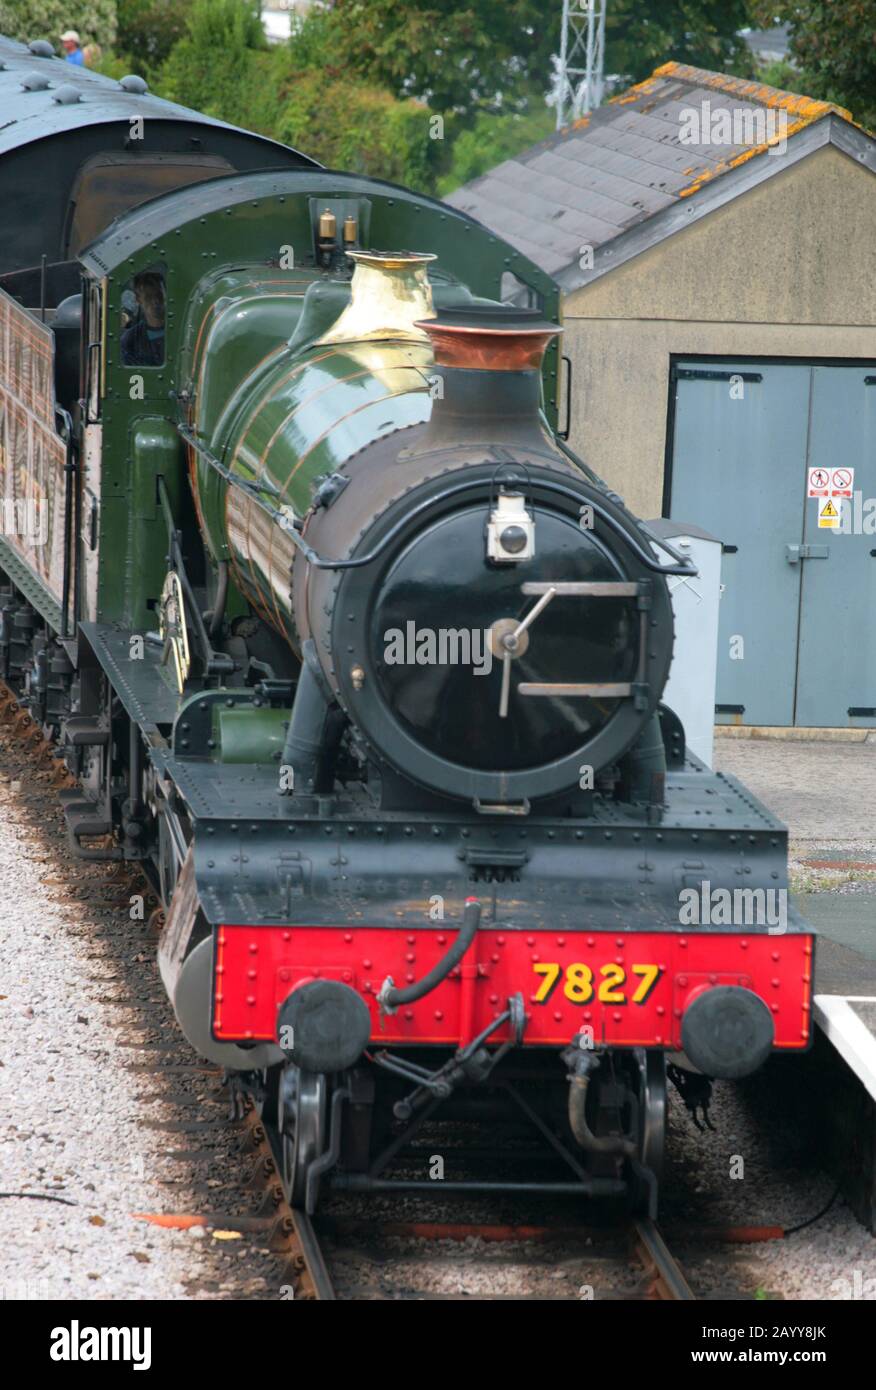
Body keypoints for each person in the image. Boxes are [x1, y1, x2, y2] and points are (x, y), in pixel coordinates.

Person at [120, 272, 166, 367]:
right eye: (148, 297)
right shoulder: (130, 340)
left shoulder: (181, 330)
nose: (155, 301)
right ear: (138, 299)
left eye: (158, 295)